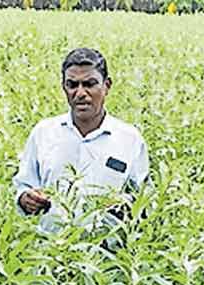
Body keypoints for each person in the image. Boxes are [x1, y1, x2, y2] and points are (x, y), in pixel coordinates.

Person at [13, 48, 149, 236]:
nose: (80, 93)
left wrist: (125, 205)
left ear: (107, 86)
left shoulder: (130, 139)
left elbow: (143, 202)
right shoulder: (43, 133)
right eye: (72, 85)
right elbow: (23, 185)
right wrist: (25, 199)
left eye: (89, 84)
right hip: (50, 254)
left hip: (106, 259)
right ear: (63, 87)